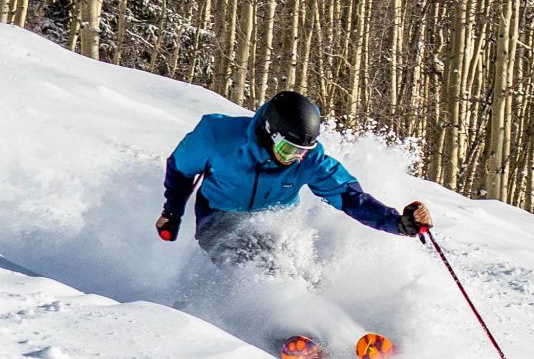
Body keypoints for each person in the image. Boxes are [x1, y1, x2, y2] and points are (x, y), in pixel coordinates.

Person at [158, 89, 431, 270]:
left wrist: (397, 222)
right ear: (269, 133)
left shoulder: (310, 161)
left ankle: (324, 327)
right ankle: (280, 328)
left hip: (277, 221)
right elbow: (181, 169)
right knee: (252, 265)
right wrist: (172, 213)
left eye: (304, 151)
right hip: (218, 217)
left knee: (298, 267)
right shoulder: (217, 136)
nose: (296, 158)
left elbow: (349, 197)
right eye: (289, 149)